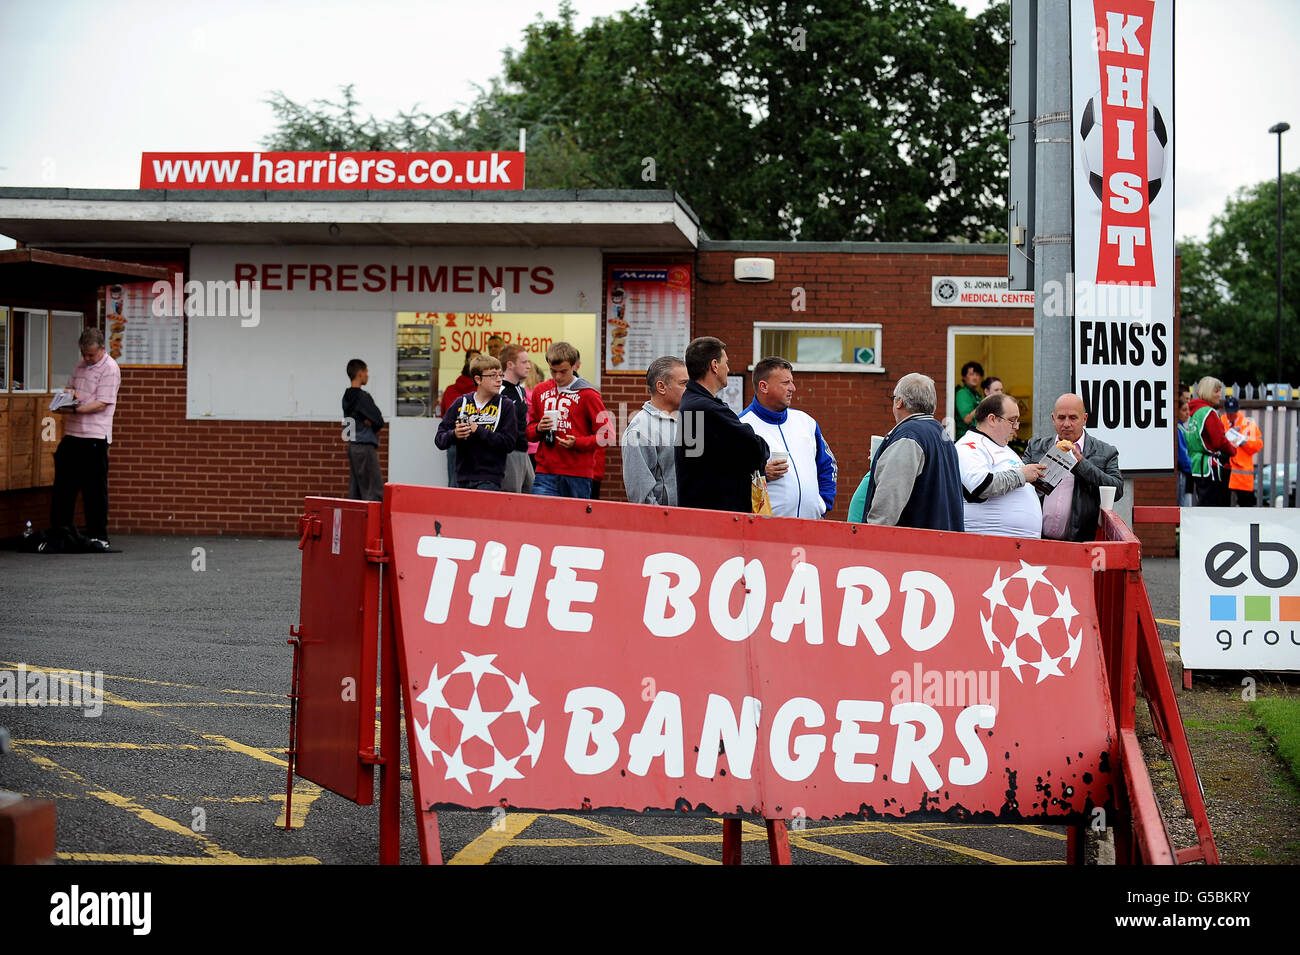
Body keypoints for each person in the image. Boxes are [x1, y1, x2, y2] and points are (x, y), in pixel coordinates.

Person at [676, 336, 769, 512]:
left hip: (701, 514)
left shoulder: (690, 403)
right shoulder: (708, 409)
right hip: (718, 518)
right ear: (714, 365)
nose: (728, 368)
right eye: (726, 362)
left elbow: (707, 462)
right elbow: (756, 450)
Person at [50, 327, 121, 551]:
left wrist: (74, 410)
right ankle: (61, 531)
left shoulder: (110, 368)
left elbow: (102, 402)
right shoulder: (81, 365)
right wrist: (68, 395)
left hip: (94, 435)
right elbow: (71, 386)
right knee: (64, 486)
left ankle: (99, 535)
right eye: (84, 354)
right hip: (73, 433)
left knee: (94, 489)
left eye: (91, 354)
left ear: (102, 349)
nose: (87, 359)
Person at [739, 357, 837, 519]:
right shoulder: (742, 426)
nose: (793, 388)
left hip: (811, 527)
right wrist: (762, 474)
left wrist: (822, 504)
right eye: (785, 383)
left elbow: (828, 465)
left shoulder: (807, 422)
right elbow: (727, 479)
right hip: (765, 531)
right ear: (764, 386)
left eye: (792, 382)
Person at [864, 373, 963, 530]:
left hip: (911, 546)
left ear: (899, 402)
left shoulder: (909, 436)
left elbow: (889, 500)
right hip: (943, 541)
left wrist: (871, 534)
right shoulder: (942, 436)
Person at [1023, 393, 1123, 542]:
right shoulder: (1036, 447)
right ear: (1053, 419)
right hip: (1036, 539)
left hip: (1079, 544)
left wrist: (1080, 464)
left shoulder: (1105, 452)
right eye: (1061, 417)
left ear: (1085, 419)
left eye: (1073, 418)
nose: (1067, 424)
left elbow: (1117, 491)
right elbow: (1019, 484)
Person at [527, 342, 610, 498]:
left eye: (563, 371)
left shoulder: (588, 394)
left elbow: (607, 435)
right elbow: (529, 432)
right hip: (545, 471)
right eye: (553, 371)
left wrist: (577, 442)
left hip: (578, 474)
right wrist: (539, 428)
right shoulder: (540, 390)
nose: (558, 377)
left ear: (574, 366)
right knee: (541, 518)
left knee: (575, 521)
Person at [956, 394, 1046, 537]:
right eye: (1012, 420)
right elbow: (981, 486)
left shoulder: (1004, 447)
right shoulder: (969, 445)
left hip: (1016, 546)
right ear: (992, 419)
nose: (1016, 426)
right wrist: (1022, 475)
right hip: (990, 544)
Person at [434, 354, 518, 490]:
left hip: (490, 478)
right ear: (478, 379)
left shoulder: (506, 405)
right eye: (493, 376)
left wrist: (478, 430)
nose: (499, 380)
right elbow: (439, 439)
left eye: (500, 375)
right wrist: (455, 434)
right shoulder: (461, 402)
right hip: (461, 477)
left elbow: (508, 443)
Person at [622, 356, 689, 506]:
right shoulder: (639, 431)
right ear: (661, 387)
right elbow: (641, 495)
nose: (689, 389)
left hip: (691, 520)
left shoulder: (686, 419)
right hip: (666, 523)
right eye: (684, 383)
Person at [1185, 376, 1235, 507]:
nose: (1220, 394)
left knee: (1202, 504)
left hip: (1196, 463)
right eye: (1216, 391)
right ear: (1208, 391)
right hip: (1209, 466)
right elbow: (1219, 441)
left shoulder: (1194, 412)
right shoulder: (1209, 412)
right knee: (1214, 507)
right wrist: (1232, 450)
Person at [342, 358, 385, 501]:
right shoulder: (362, 397)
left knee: (356, 492)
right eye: (366, 372)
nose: (368, 375)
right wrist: (370, 423)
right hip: (365, 446)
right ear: (360, 373)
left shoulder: (346, 397)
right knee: (374, 491)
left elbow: (348, 423)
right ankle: (374, 523)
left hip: (352, 446)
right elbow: (379, 420)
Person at [439, 349, 480, 489]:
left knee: (453, 482)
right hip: (475, 442)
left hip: (453, 441)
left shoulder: (450, 390)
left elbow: (443, 415)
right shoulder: (480, 393)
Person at [497, 344, 534, 494]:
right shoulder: (500, 390)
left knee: (531, 491)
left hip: (523, 450)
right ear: (510, 365)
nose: (529, 366)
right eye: (524, 362)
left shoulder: (520, 389)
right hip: (509, 453)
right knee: (511, 496)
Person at [1220, 395, 1264, 507]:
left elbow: (1258, 445)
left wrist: (1243, 441)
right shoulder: (1221, 421)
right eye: (1229, 412)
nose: (1231, 415)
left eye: (1233, 412)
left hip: (1242, 475)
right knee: (1223, 505)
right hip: (1225, 471)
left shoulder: (1249, 424)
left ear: (1238, 410)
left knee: (1246, 506)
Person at [954, 360, 983, 440]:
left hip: (975, 436)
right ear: (964, 377)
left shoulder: (977, 394)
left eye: (977, 375)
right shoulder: (962, 393)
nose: (975, 377)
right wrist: (984, 405)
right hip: (964, 437)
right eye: (971, 374)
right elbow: (967, 419)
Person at [1176, 390, 1194, 507]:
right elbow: (1182, 454)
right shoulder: (1178, 430)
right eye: (1184, 410)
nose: (1187, 413)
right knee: (1183, 504)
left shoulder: (1183, 428)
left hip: (1186, 472)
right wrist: (1190, 467)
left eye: (1188, 410)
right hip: (1183, 472)